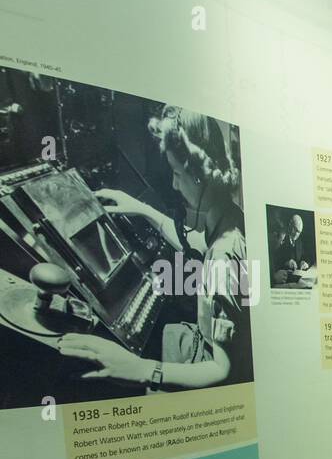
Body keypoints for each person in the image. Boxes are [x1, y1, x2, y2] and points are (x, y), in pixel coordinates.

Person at [58, 105, 249, 390]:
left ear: (198, 176)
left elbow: (222, 370)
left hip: (208, 368)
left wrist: (141, 368)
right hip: (201, 338)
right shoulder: (230, 218)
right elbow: (198, 245)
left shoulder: (224, 259)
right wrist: (143, 209)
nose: (173, 184)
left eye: (176, 173)